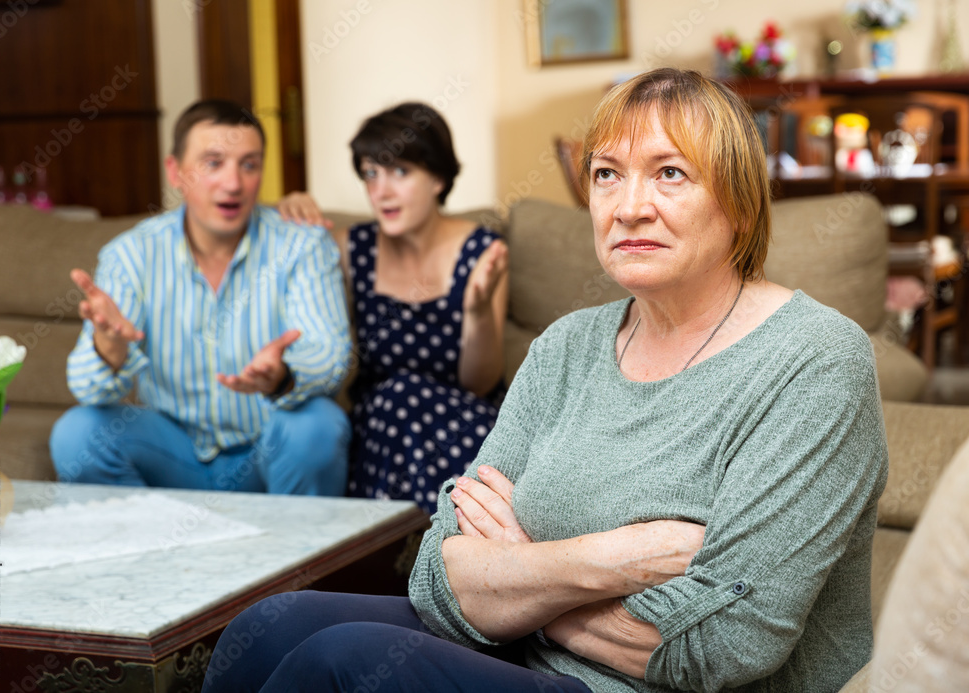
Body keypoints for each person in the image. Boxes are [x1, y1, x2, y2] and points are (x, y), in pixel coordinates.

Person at [202, 69, 887, 692]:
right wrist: (610, 559)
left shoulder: (815, 360)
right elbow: (437, 571)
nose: (629, 206)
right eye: (607, 174)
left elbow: (721, 644)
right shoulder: (565, 345)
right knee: (268, 624)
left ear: (738, 199)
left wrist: (517, 574)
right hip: (518, 653)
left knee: (343, 662)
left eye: (670, 173)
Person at [49, 99, 352, 495]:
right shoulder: (130, 255)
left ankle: (298, 540)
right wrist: (109, 348)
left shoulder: (302, 244)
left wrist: (282, 376)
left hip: (266, 451)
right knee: (77, 434)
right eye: (213, 163)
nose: (234, 183)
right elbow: (88, 391)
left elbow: (331, 356)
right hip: (174, 454)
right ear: (175, 171)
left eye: (249, 164)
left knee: (317, 424)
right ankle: (153, 534)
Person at [279, 102, 508, 514]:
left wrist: (476, 313)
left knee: (407, 395)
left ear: (438, 177)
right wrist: (288, 210)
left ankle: (421, 539)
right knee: (397, 395)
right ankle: (442, 538)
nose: (381, 192)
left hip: (463, 428)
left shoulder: (482, 251)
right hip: (380, 432)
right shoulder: (349, 249)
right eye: (371, 173)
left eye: (400, 172)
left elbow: (479, 383)